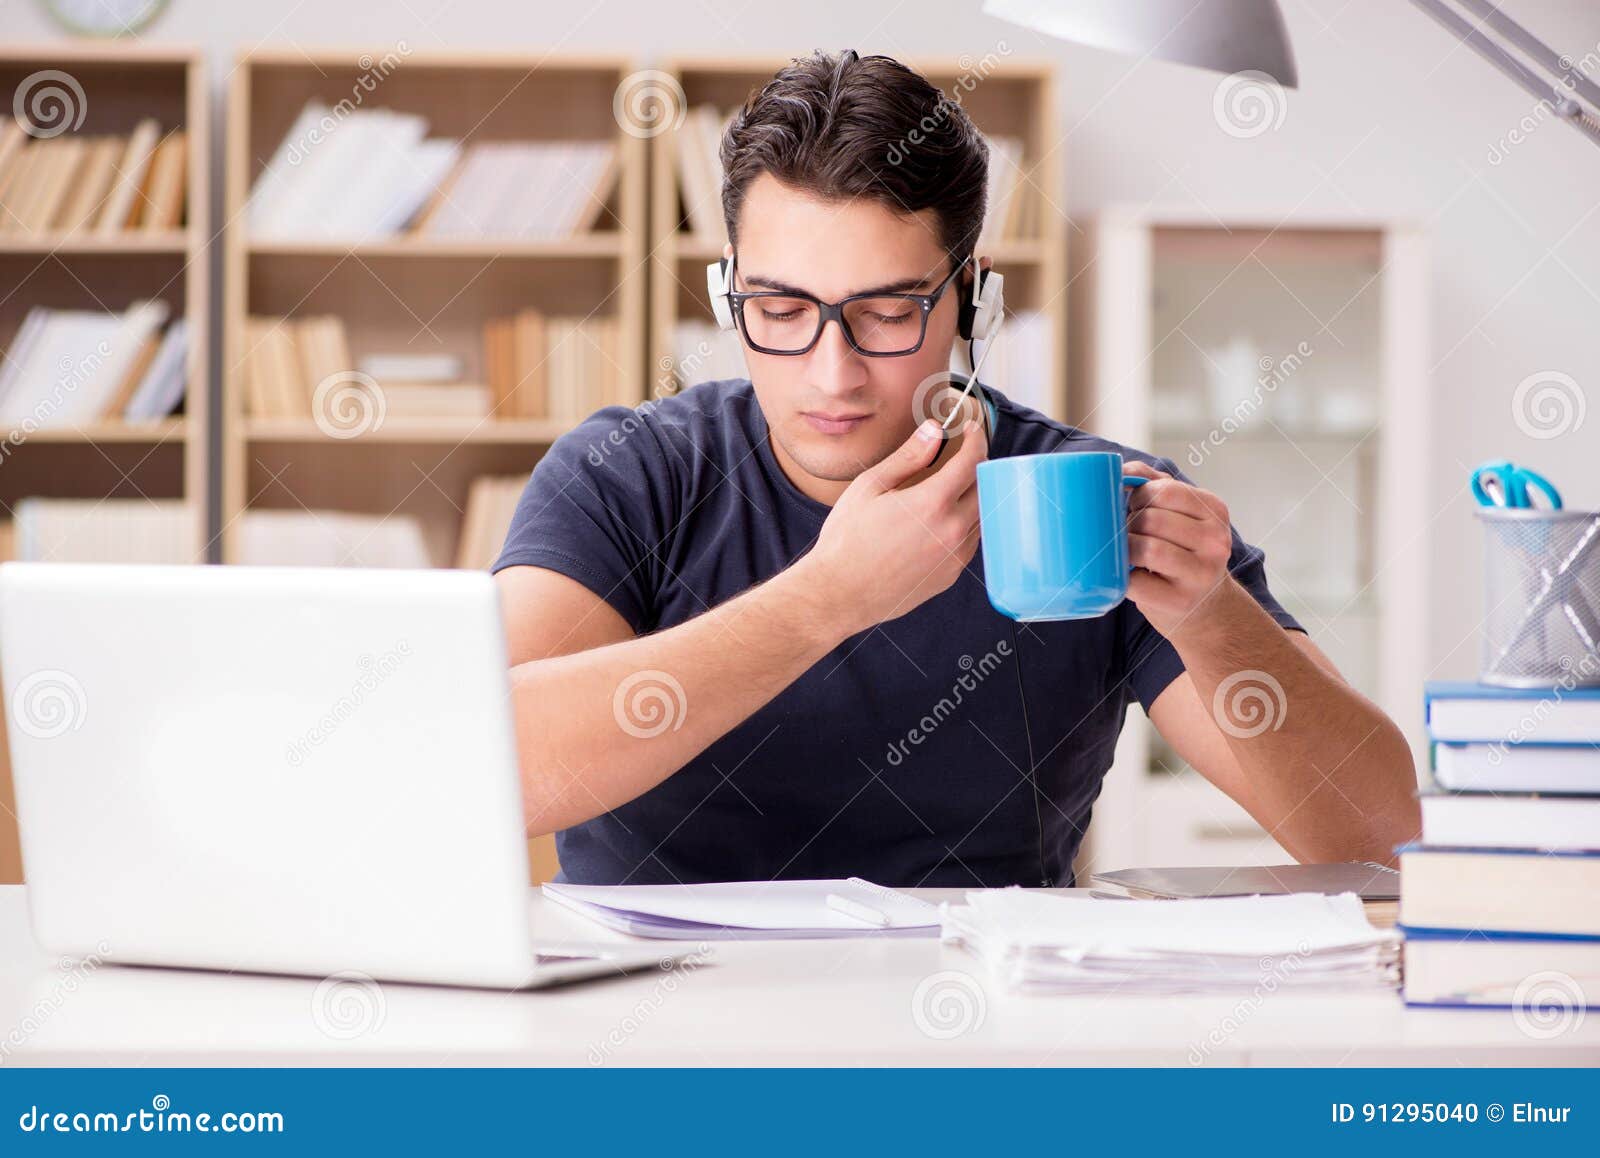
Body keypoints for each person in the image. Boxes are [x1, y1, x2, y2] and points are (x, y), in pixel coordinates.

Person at [492, 50, 1420, 886]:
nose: (833, 371)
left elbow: (1384, 840)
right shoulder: (627, 475)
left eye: (889, 313)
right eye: (779, 309)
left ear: (973, 298)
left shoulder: (1085, 501)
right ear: (725, 291)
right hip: (658, 1032)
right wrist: (826, 600)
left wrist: (1214, 619)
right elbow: (485, 770)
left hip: (973, 1029)